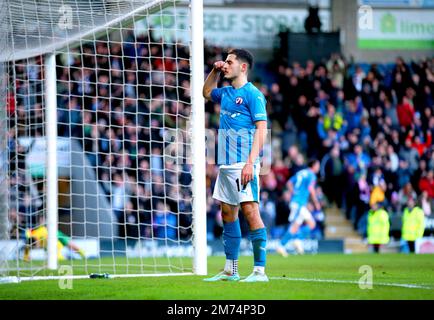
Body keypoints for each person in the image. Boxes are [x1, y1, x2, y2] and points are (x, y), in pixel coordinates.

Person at [202, 48, 269, 282]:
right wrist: (213, 70)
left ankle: (260, 271)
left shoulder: (253, 95)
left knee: (250, 211)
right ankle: (231, 270)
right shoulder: (226, 93)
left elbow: (262, 130)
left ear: (243, 67)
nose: (225, 65)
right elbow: (206, 91)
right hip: (226, 164)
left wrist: (250, 163)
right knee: (227, 214)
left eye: (230, 62)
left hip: (244, 163)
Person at [276, 159, 321, 257]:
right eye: (318, 165)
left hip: (298, 203)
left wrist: (293, 192)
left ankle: (297, 240)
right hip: (298, 204)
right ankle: (282, 245)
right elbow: (311, 189)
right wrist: (316, 202)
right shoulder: (311, 175)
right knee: (295, 226)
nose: (318, 167)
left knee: (309, 224)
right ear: (313, 165)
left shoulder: (301, 172)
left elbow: (289, 183)